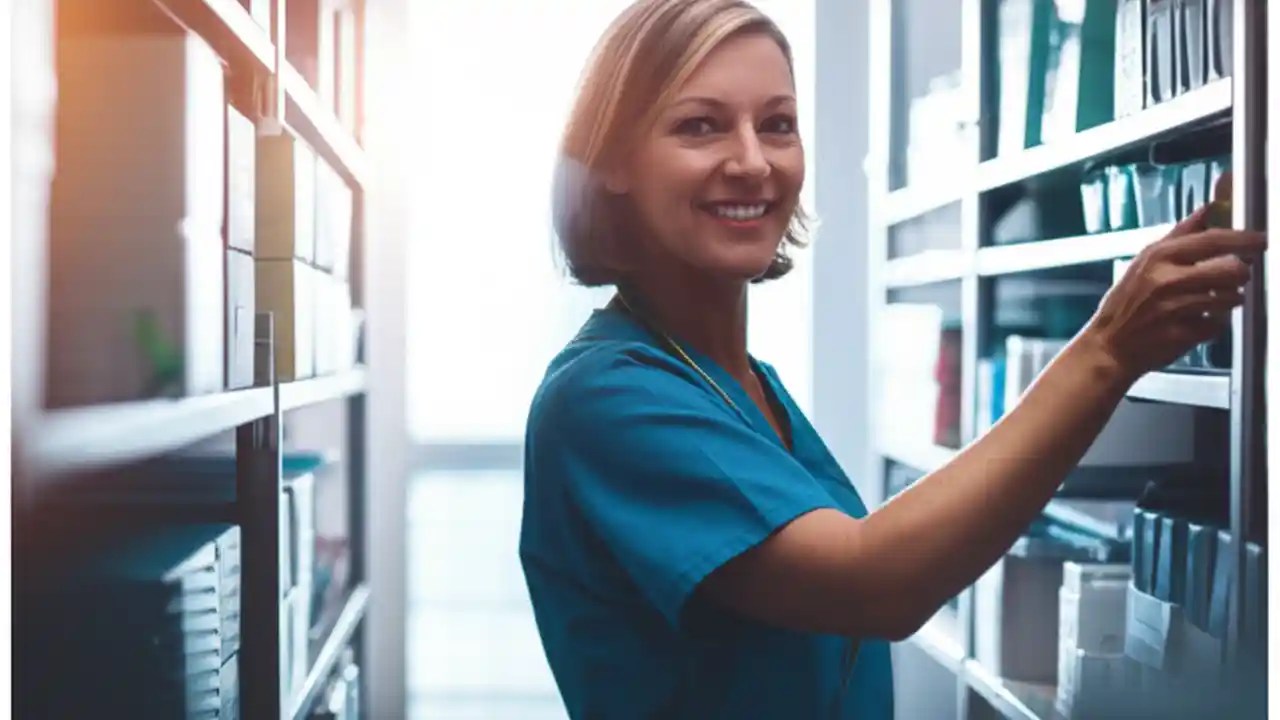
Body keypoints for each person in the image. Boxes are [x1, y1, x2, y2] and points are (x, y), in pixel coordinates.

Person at [519, 0, 1266, 717]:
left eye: (777, 124)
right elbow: (875, 584)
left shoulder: (742, 385)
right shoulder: (606, 398)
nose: (753, 162)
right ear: (611, 161)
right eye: (700, 126)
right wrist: (1106, 349)